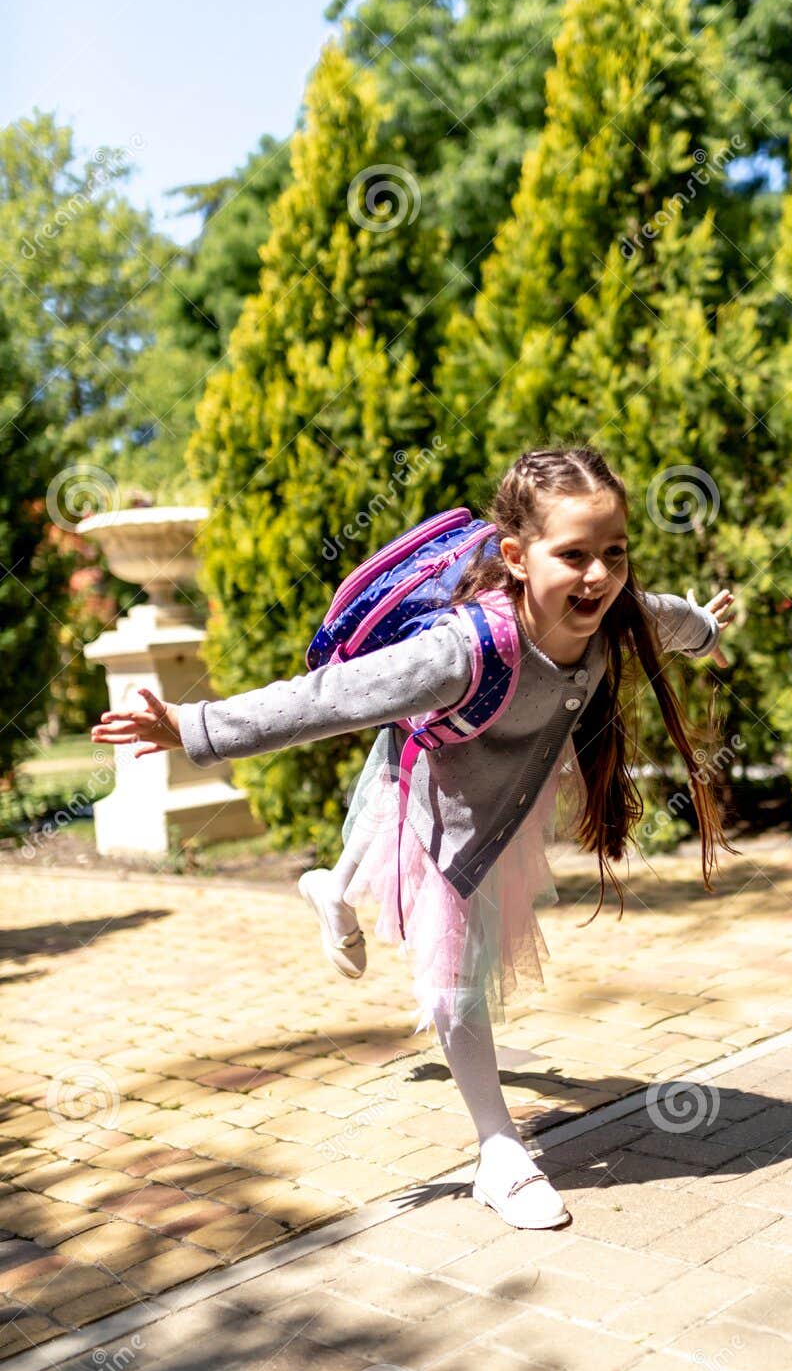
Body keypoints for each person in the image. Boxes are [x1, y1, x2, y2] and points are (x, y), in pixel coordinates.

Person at [90, 446, 738, 1231]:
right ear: (516, 557)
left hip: (481, 779)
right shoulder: (459, 650)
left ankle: (331, 887)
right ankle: (498, 1152)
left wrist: (705, 628)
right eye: (572, 555)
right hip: (447, 800)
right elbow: (328, 698)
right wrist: (193, 724)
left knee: (391, 812)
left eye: (613, 552)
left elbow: (663, 615)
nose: (598, 575)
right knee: (455, 968)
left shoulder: (613, 611)